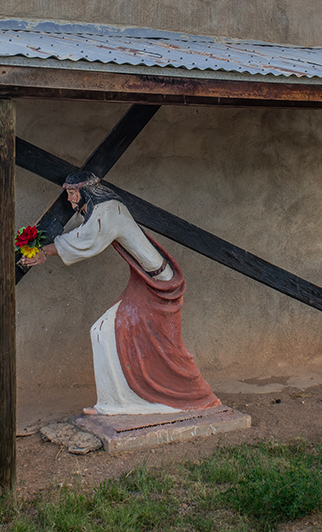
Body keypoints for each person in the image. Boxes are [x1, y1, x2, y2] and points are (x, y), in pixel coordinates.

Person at [22, 171, 220, 415]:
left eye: (73, 193)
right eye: (69, 193)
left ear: (86, 191)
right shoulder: (98, 209)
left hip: (160, 284)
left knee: (151, 343)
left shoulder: (107, 210)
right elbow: (83, 230)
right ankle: (115, 403)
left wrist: (46, 252)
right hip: (147, 281)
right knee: (106, 332)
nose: (70, 199)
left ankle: (190, 394)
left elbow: (86, 240)